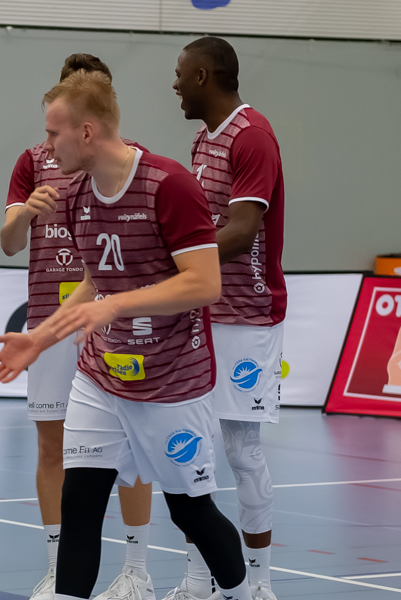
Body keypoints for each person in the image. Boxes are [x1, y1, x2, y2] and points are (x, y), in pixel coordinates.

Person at [0, 70, 253, 600]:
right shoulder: (76, 194)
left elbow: (205, 283)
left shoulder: (168, 184)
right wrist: (40, 339)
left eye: (53, 132)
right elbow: (94, 284)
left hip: (173, 379)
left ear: (86, 133)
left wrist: (118, 304)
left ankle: (242, 594)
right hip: (102, 377)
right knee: (80, 501)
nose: (45, 144)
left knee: (191, 511)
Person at [0, 54, 156, 600]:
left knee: (134, 448)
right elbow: (7, 242)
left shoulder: (127, 163)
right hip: (51, 317)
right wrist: (23, 213)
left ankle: (136, 570)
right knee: (52, 445)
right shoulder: (35, 159)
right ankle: (55, 563)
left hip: (114, 320)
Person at [168, 36, 286, 600]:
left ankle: (258, 584)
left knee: (242, 452)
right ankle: (202, 580)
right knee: (192, 448)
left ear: (203, 77)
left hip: (247, 315)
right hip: (200, 312)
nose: (172, 83)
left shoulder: (253, 136)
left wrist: (169, 262)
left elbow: (240, 233)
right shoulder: (200, 139)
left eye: (179, 73)